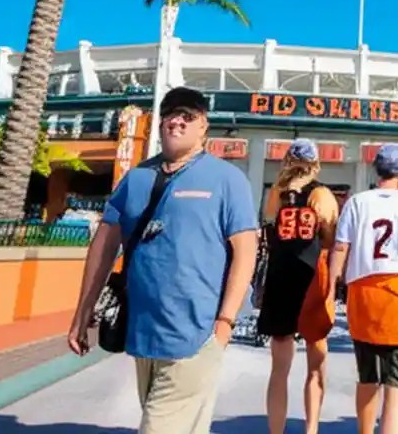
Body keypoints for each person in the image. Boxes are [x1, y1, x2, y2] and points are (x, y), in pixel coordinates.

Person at [67, 87, 257, 434]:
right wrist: (83, 312)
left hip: (196, 334)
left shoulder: (227, 180)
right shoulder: (136, 178)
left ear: (204, 126)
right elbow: (104, 246)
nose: (176, 120)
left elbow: (246, 249)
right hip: (144, 334)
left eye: (187, 115)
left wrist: (226, 321)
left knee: (157, 427)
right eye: (170, 113)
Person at [327, 144, 398, 434]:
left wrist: (330, 287)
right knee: (396, 387)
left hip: (364, 295)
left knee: (367, 378)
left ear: (377, 170)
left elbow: (340, 248)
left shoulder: (357, 203)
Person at [258, 139, 339, 434]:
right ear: (315, 163)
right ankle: (311, 428)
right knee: (316, 364)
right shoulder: (321, 194)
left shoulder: (276, 194)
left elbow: (270, 232)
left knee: (279, 369)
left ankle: (275, 430)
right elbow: (330, 239)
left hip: (280, 278)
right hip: (311, 280)